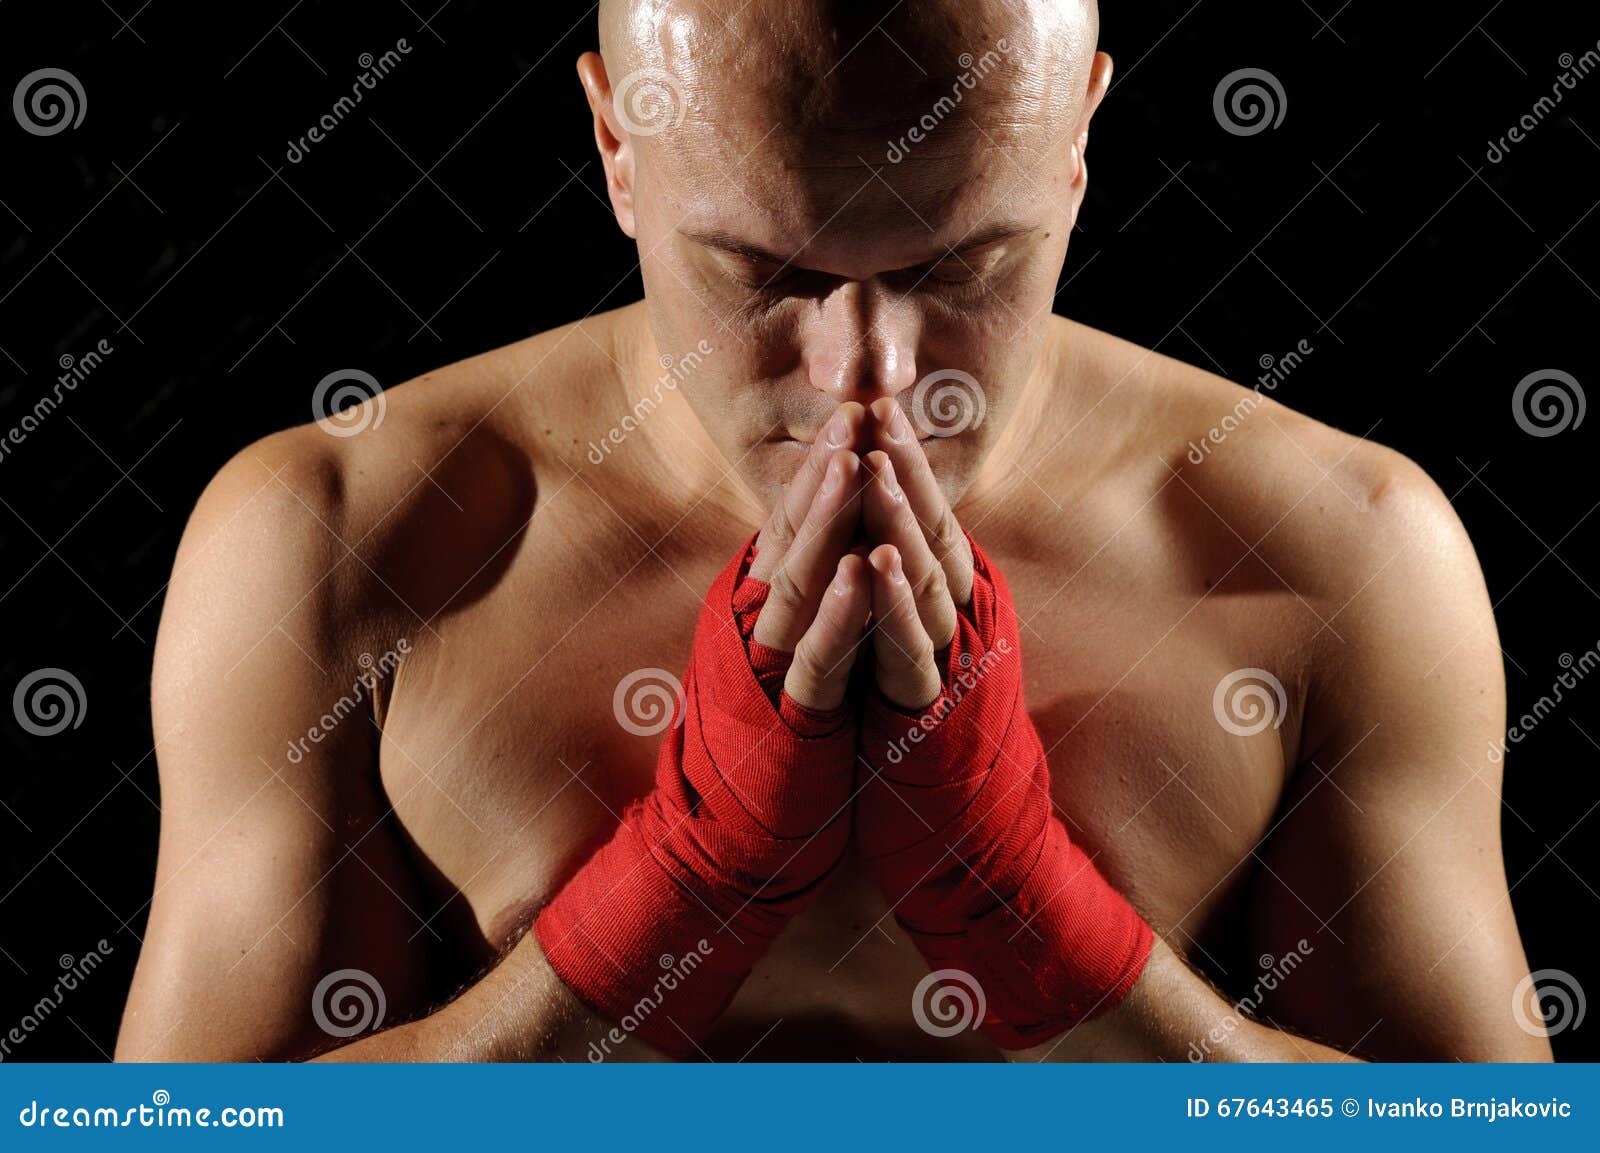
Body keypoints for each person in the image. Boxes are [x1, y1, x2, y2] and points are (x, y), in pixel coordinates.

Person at [115, 0, 1549, 1061]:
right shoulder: (335, 539)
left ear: (1076, 147)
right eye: (764, 272)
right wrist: (665, 903)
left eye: (959, 264)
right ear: (620, 148)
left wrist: (1057, 940)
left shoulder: (1341, 552)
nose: (866, 376)